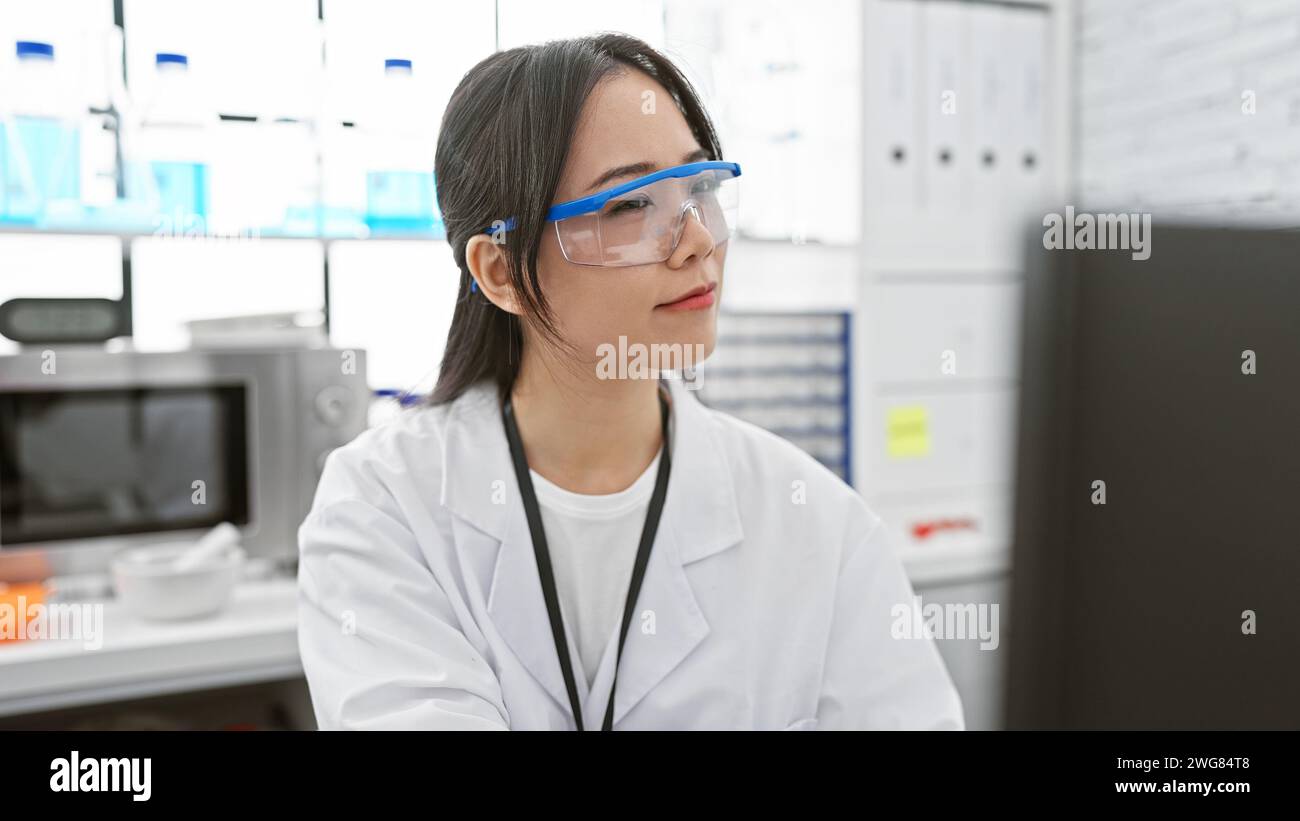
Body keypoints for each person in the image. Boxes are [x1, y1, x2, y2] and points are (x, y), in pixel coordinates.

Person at [297, 33, 963, 731]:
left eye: (699, 188)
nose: (699, 238)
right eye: (629, 206)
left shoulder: (819, 525)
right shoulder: (382, 506)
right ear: (499, 271)